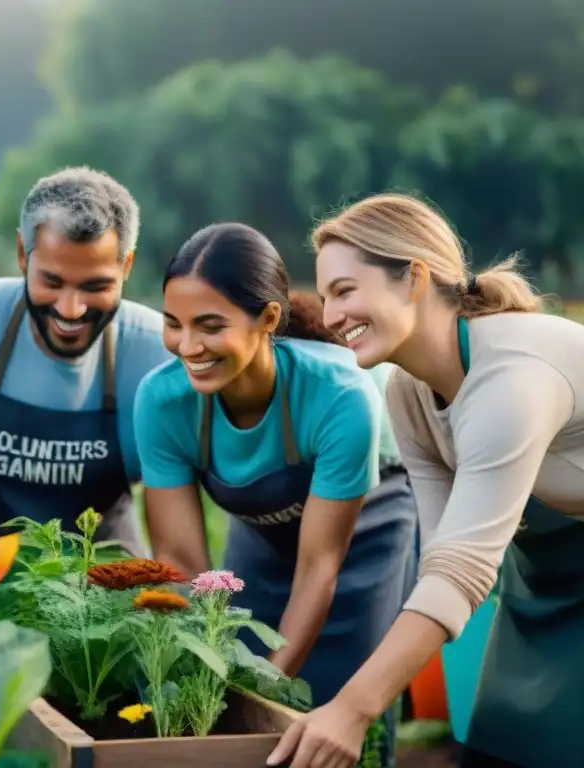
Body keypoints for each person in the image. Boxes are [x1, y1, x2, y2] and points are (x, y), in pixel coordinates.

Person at [271, 193, 584, 768]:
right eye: (326, 296)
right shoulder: (407, 392)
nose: (333, 315)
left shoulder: (513, 379)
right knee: (497, 749)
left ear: (413, 277)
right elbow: (446, 558)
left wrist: (354, 709)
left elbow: (460, 573)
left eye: (345, 290)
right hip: (541, 586)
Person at [134, 223, 417, 765]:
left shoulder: (339, 396)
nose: (187, 346)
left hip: (364, 530)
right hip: (260, 531)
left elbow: (319, 568)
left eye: (210, 326)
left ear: (267, 319)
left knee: (338, 704)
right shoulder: (161, 400)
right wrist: (209, 673)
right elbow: (181, 558)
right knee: (236, 660)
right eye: (174, 324)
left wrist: (263, 693)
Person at [0, 166, 172, 623]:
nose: (71, 309)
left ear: (126, 266)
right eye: (52, 281)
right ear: (21, 254)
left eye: (96, 286)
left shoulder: (157, 355)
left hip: (95, 627)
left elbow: (177, 531)